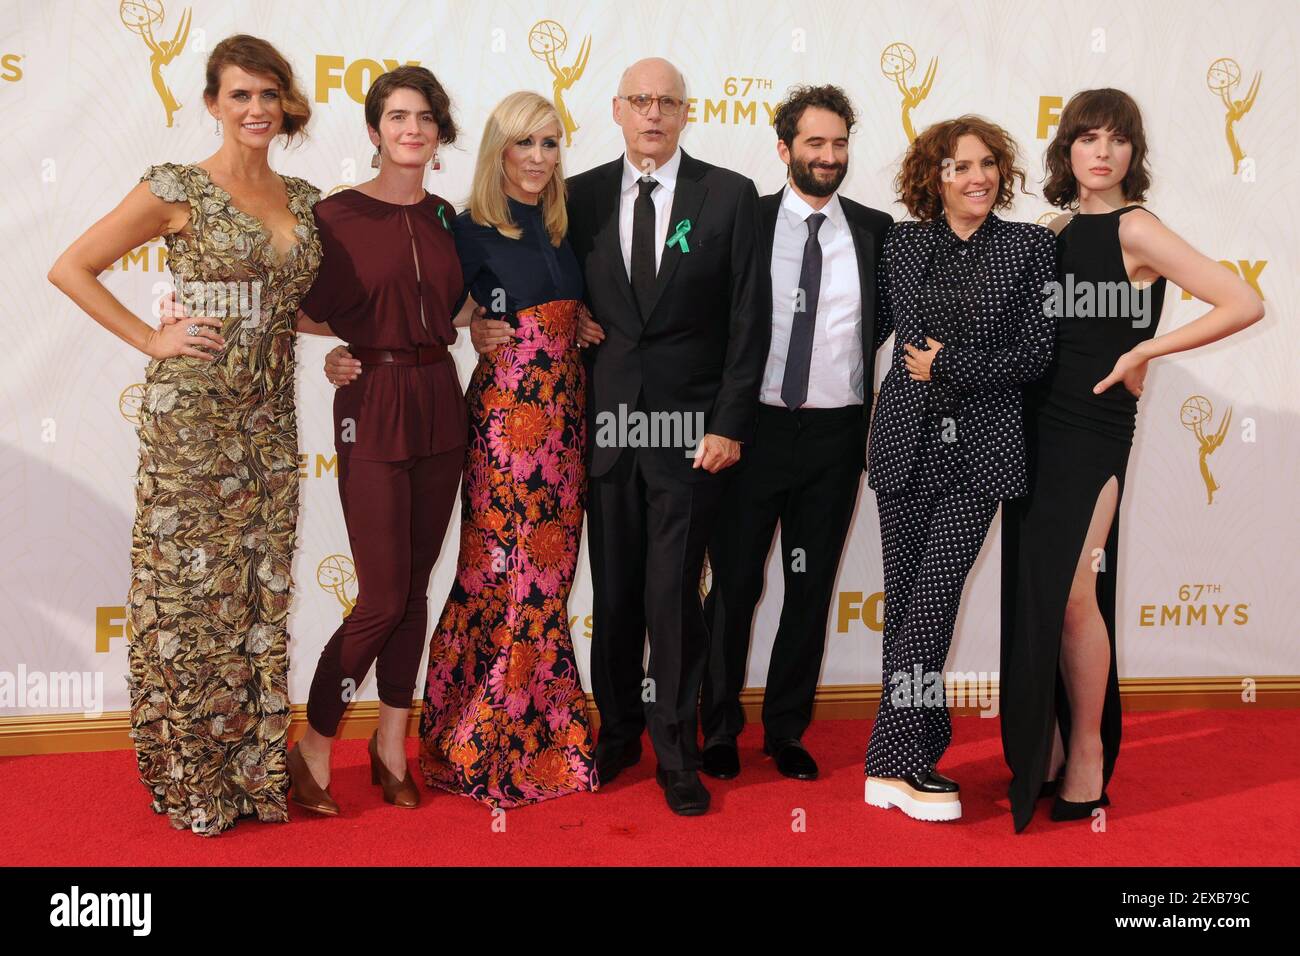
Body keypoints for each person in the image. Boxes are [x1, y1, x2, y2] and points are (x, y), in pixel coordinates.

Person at [476, 58, 769, 815]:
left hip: (690, 435)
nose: (653, 113)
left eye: (668, 101)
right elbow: (525, 273)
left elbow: (749, 322)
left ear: (686, 111)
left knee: (673, 595)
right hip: (601, 430)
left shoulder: (729, 196)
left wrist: (730, 424)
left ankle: (677, 753)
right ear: (615, 109)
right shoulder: (581, 194)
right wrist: (478, 323)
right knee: (613, 594)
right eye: (640, 100)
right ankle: (616, 735)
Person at [47, 35, 322, 835]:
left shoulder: (303, 199)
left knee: (254, 595)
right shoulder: (177, 187)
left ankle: (248, 776)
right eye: (240, 95)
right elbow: (71, 267)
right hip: (192, 423)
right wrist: (149, 338)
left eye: (269, 94)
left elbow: (290, 306)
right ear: (212, 103)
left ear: (285, 103)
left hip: (269, 424)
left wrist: (359, 344)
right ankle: (192, 779)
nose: (257, 109)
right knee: (191, 599)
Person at [1000, 88, 1265, 830]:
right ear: (1068, 150)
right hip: (1034, 427)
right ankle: (1048, 747)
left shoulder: (1138, 228)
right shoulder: (1050, 229)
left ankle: (1087, 753)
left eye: (1117, 140)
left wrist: (1147, 346)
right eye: (1088, 138)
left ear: (1132, 153)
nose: (1103, 152)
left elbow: (1241, 301)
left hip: (1093, 427)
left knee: (1076, 592)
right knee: (1041, 594)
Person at [327, 92, 599, 808]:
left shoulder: (567, 221)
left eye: (549, 143)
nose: (538, 158)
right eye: (524, 144)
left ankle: (542, 734)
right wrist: (355, 352)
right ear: (496, 150)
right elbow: (418, 306)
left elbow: (544, 299)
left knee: (548, 580)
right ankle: (478, 737)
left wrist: (579, 323)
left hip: (565, 428)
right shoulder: (467, 225)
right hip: (508, 425)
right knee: (500, 576)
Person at [689, 85, 893, 782]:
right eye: (815, 143)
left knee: (809, 592)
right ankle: (717, 729)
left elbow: (884, 320)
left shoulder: (875, 231)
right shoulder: (745, 219)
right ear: (785, 149)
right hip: (752, 434)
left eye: (839, 144)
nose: (829, 156)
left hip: (835, 440)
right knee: (736, 587)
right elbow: (708, 315)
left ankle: (786, 731)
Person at [862, 116, 1055, 823]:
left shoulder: (1030, 247)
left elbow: (1035, 356)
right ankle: (917, 747)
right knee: (907, 607)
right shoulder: (902, 245)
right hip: (904, 445)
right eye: (958, 166)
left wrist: (950, 363)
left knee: (935, 600)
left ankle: (890, 761)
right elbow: (861, 325)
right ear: (932, 179)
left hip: (985, 451)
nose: (976, 177)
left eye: (986, 164)